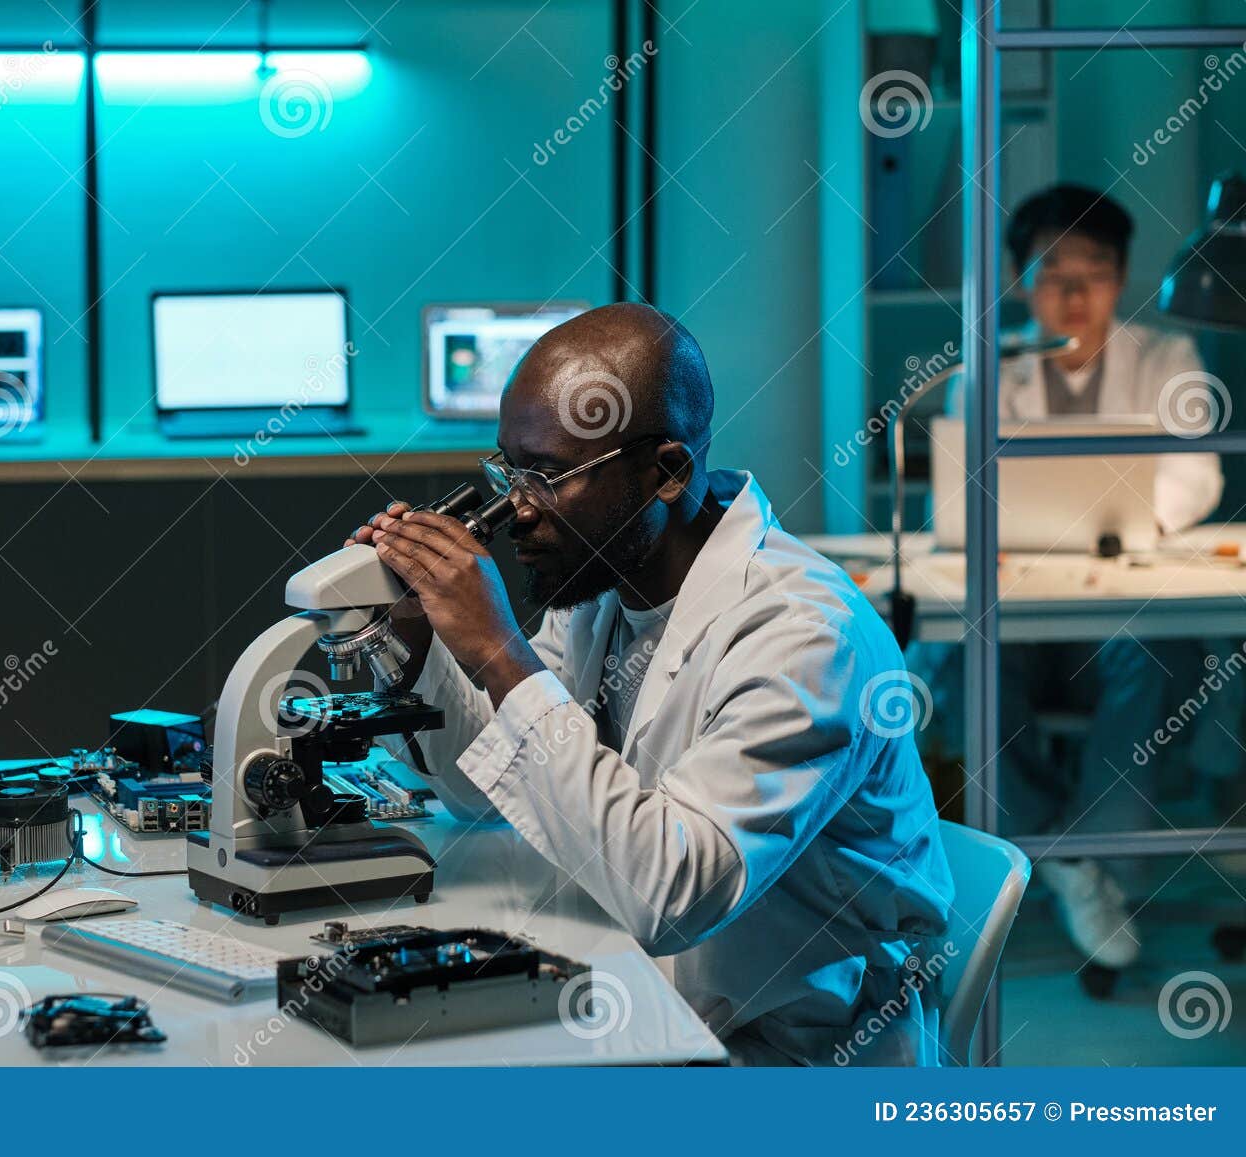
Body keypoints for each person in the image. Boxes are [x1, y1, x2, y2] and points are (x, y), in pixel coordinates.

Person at [346, 303, 953, 1066]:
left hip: (786, 1051)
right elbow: (490, 790)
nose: (514, 509)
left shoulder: (805, 636)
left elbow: (671, 894)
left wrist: (501, 651)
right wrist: (418, 643)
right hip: (642, 998)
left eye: (546, 475)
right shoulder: (606, 585)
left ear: (665, 472)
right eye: (507, 469)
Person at [932, 183, 1228, 973]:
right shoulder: (989, 366)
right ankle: (1065, 856)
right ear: (1021, 279)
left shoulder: (1167, 357)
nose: (1071, 290)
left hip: (1115, 601)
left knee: (1159, 658)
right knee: (962, 662)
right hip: (1021, 608)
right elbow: (970, 492)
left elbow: (1195, 476)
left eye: (1092, 268)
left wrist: (1118, 523)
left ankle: (1094, 854)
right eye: (1050, 268)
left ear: (1122, 276)